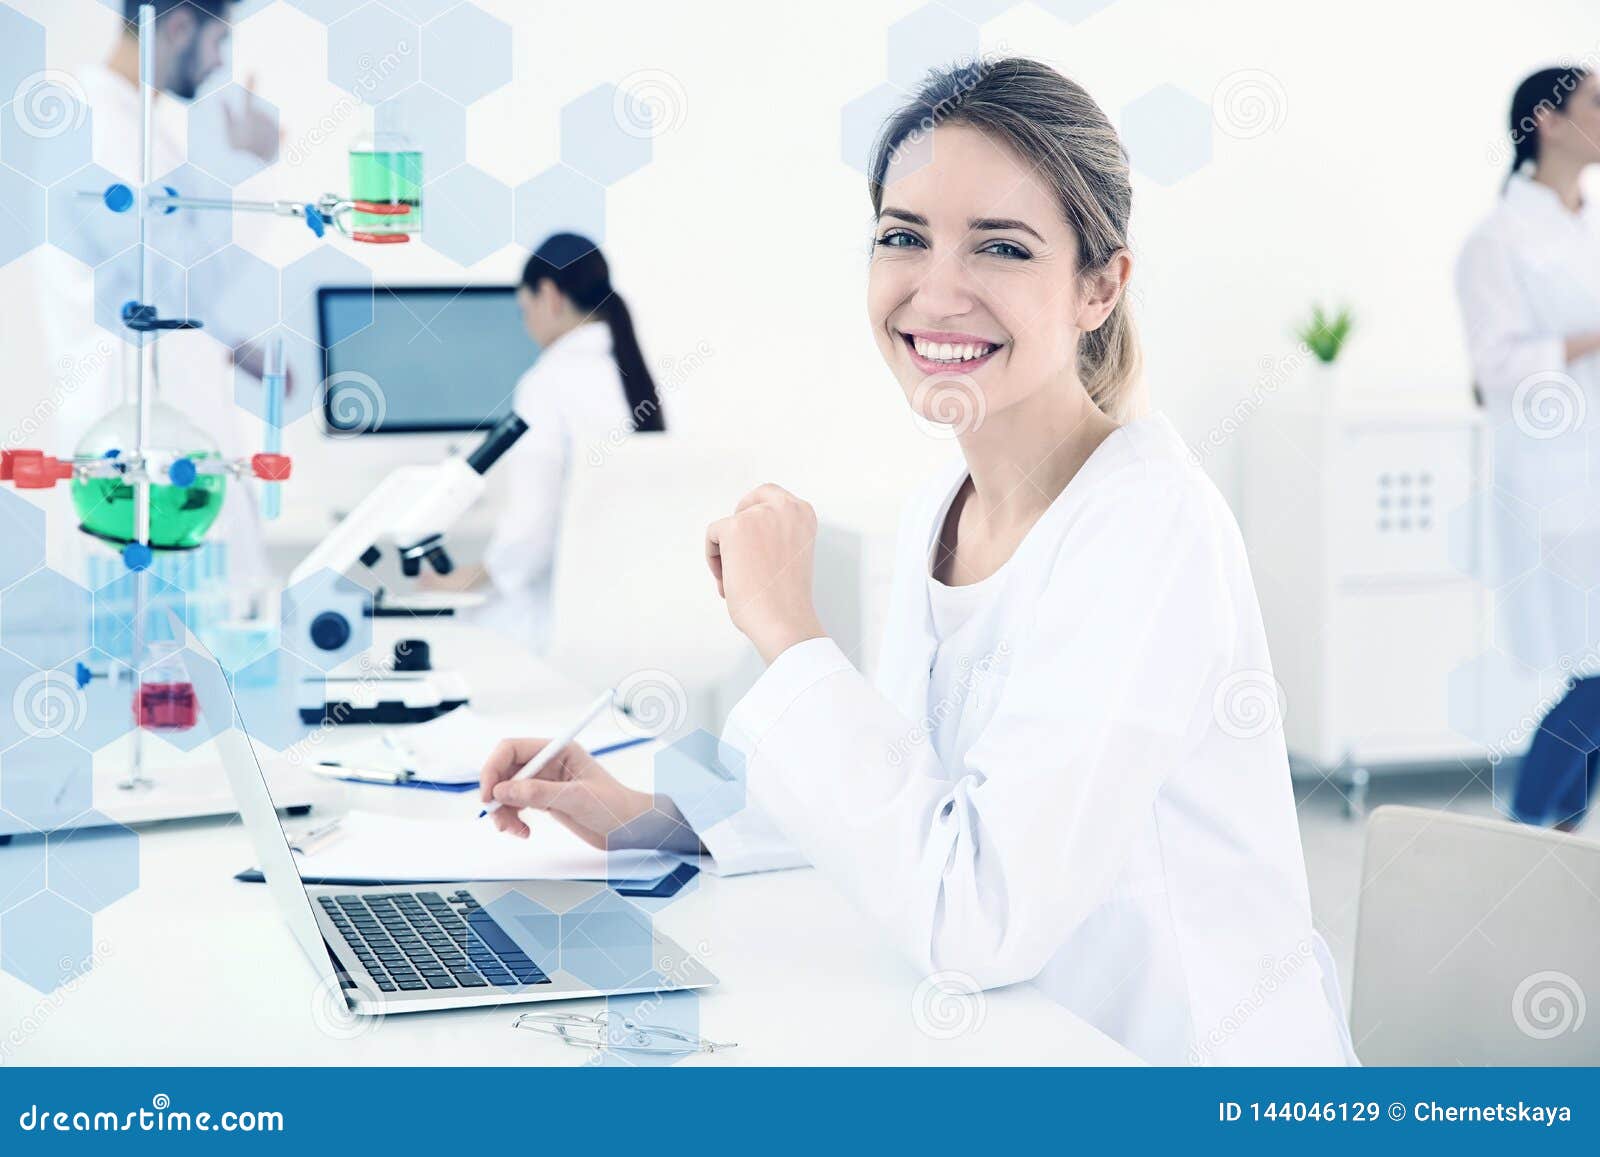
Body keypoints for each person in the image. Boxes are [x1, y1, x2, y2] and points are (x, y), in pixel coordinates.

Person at [478, 60, 1354, 1066]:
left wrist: (787, 632)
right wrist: (653, 819)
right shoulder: (946, 501)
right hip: (1008, 1042)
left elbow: (973, 915)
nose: (937, 291)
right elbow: (908, 800)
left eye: (1001, 247)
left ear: (1098, 286)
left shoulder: (1147, 526)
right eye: (903, 237)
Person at [34, 0, 281, 584]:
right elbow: (174, 282)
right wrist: (257, 168)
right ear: (176, 27)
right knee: (166, 642)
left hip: (156, 429)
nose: (218, 61)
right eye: (218, 42)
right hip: (132, 447)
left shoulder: (132, 125)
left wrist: (230, 343)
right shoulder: (107, 130)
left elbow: (146, 282)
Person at [1456, 66, 1600, 832]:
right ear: (1547, 120)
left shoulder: (1589, 226)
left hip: (1594, 471)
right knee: (1594, 676)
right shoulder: (1498, 239)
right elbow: (1496, 367)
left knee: (1595, 676)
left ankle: (1557, 844)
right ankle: (1527, 832)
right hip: (1558, 482)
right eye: (1596, 102)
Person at [422, 234, 665, 654]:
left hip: (568, 622)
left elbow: (530, 531)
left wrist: (466, 578)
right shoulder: (642, 377)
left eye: (524, 310)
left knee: (451, 633)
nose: (527, 326)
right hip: (640, 613)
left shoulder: (546, 383)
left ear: (548, 296)